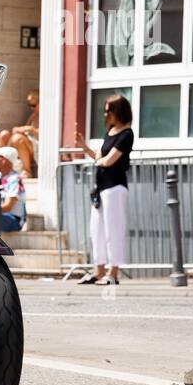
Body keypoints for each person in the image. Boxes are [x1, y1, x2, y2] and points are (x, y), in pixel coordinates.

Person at [76, 93, 134, 286]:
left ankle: (113, 272)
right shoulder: (109, 131)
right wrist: (84, 147)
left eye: (110, 109)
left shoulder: (127, 134)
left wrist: (98, 161)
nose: (106, 113)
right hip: (101, 188)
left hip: (115, 187)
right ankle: (98, 270)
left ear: (119, 111)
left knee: (113, 231)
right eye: (106, 109)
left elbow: (109, 161)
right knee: (97, 230)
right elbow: (98, 157)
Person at [0, 91, 39, 176]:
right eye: (30, 105)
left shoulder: (48, 115)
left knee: (17, 139)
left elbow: (43, 136)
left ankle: (27, 171)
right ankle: (1, 167)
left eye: (34, 105)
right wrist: (20, 130)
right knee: (3, 135)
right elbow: (25, 130)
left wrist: (29, 129)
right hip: (26, 144)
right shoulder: (34, 116)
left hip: (37, 148)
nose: (32, 108)